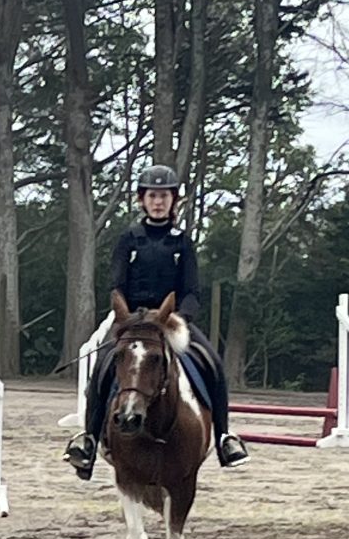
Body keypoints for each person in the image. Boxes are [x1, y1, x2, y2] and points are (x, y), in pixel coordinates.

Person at [65, 164, 249, 478]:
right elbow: (117, 285)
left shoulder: (182, 242)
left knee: (213, 363)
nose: (158, 201)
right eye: (153, 195)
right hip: (134, 319)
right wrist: (127, 315)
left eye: (164, 196)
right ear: (142, 200)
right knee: (103, 366)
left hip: (171, 319)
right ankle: (90, 440)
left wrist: (181, 318)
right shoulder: (129, 239)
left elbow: (191, 291)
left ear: (173, 200)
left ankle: (224, 437)